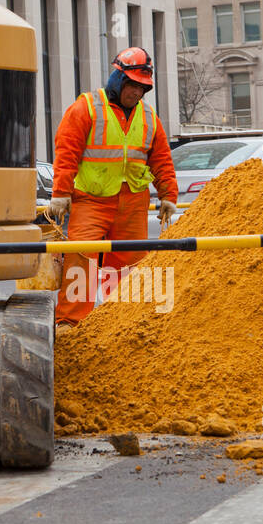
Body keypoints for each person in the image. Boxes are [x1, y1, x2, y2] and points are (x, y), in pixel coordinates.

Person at [50, 48, 178, 329]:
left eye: (143, 87)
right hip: (90, 199)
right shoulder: (87, 107)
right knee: (80, 258)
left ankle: (121, 324)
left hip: (132, 201)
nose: (137, 93)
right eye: (132, 85)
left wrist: (169, 195)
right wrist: (60, 193)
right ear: (118, 79)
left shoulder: (148, 116)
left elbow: (161, 158)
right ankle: (70, 323)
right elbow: (66, 152)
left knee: (130, 263)